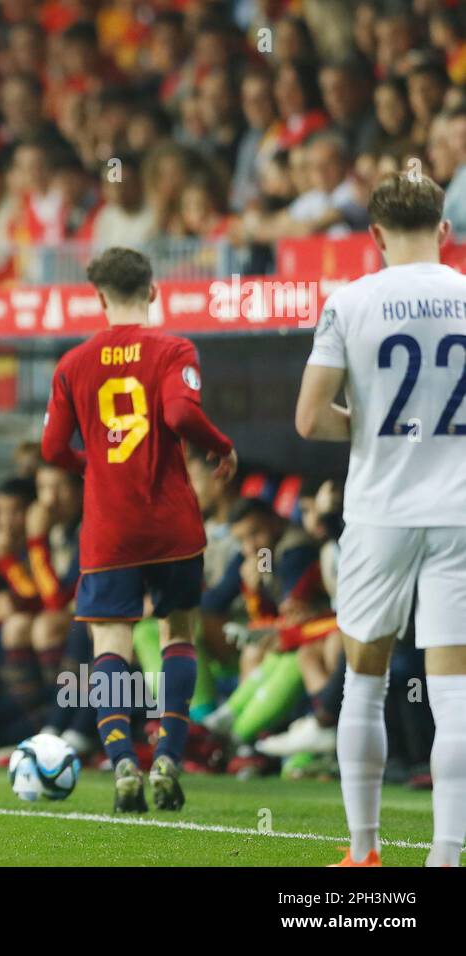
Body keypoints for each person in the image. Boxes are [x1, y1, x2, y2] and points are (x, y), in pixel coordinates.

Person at [296, 172, 466, 868]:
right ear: (445, 232)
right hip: (460, 510)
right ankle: (447, 854)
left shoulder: (350, 302)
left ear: (374, 236)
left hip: (380, 513)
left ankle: (365, 850)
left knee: (365, 681)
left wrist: (369, 427)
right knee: (455, 689)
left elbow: (309, 420)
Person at [42, 246, 237, 813]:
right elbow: (178, 415)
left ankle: (124, 761)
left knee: (111, 645)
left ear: (99, 298)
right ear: (153, 292)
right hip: (172, 524)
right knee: (178, 634)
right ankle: (170, 756)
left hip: (111, 529)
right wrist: (219, 445)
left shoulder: (73, 363)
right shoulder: (174, 348)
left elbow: (54, 448)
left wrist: (94, 468)